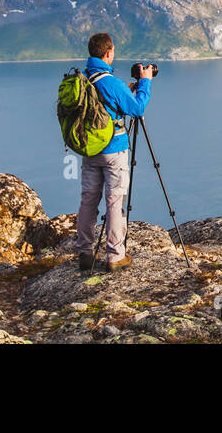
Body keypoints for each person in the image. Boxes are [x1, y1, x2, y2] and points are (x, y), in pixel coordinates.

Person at [75, 32, 155, 272]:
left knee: (88, 200)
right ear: (108, 53)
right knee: (114, 200)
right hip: (114, 151)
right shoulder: (111, 82)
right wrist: (146, 82)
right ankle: (115, 255)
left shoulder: (83, 79)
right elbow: (137, 108)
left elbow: (106, 104)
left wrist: (126, 90)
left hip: (90, 150)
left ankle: (85, 253)